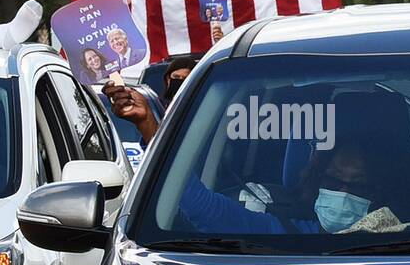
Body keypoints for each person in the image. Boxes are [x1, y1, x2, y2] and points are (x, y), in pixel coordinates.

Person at [102, 82, 391, 234]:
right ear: (315, 182)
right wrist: (149, 126)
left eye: (358, 184)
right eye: (334, 180)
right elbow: (201, 206)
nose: (342, 193)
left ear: (378, 191)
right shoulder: (284, 234)